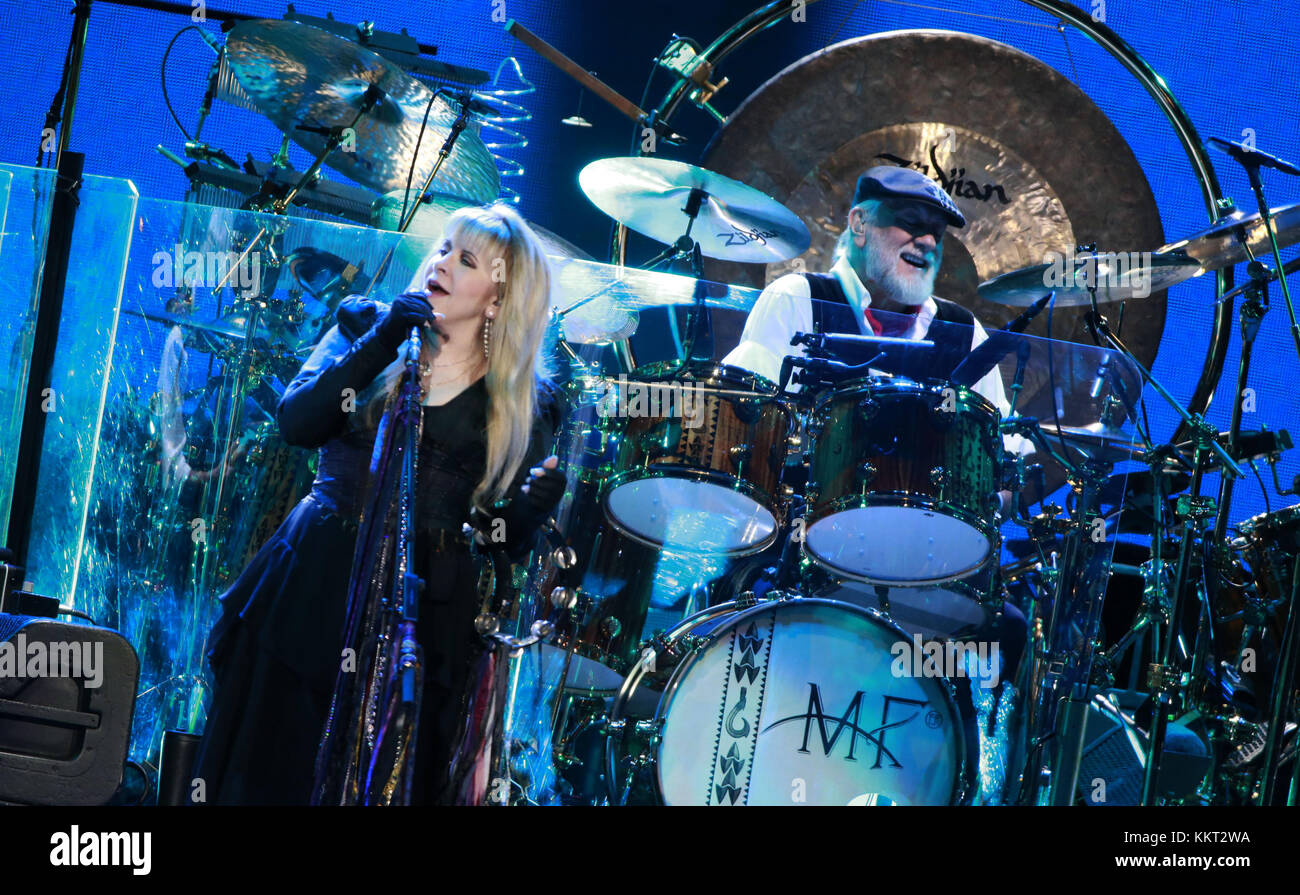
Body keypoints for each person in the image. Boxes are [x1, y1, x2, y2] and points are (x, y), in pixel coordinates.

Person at [193, 204, 568, 805]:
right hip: (316, 579)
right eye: (444, 248)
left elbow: (499, 540)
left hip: (422, 609)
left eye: (465, 259)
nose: (442, 263)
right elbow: (298, 423)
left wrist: (527, 512)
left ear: (497, 301)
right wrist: (384, 337)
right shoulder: (364, 325)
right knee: (270, 764)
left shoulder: (523, 405)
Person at [723, 165, 1028, 680]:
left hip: (929, 569)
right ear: (859, 225)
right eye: (910, 222)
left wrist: (982, 504)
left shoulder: (962, 329)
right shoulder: (800, 297)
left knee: (1008, 633)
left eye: (937, 232)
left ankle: (951, 754)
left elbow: (1008, 463)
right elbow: (742, 426)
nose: (927, 240)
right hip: (805, 556)